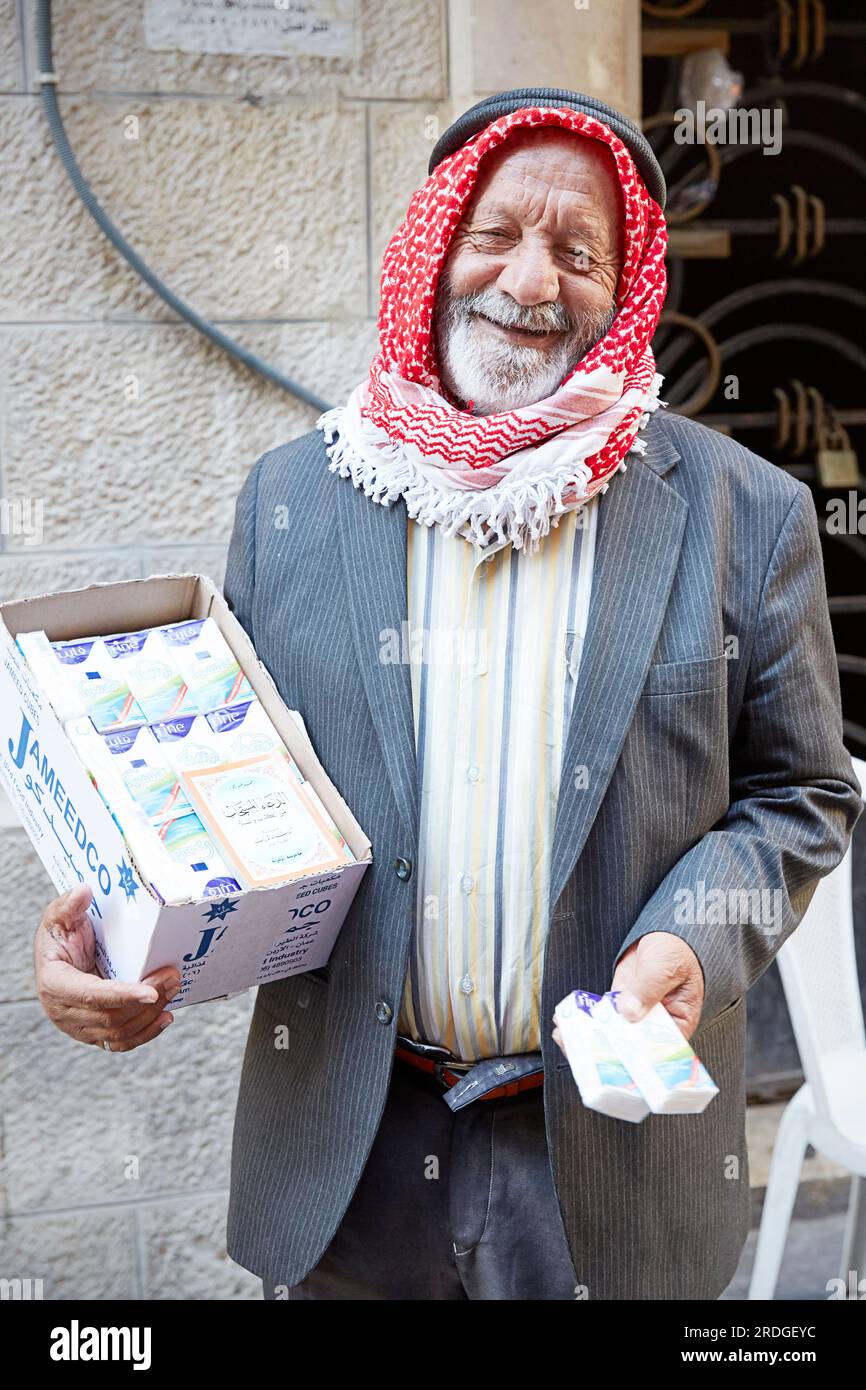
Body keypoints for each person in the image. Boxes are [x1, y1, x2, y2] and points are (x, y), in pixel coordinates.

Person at [34, 89, 863, 1301]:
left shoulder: (744, 514)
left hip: (607, 1165)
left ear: (625, 290)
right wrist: (108, 935)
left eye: (579, 253)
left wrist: (694, 928)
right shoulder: (293, 502)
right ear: (430, 249)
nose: (530, 285)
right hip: (349, 1145)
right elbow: (206, 788)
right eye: (493, 235)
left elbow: (800, 795)